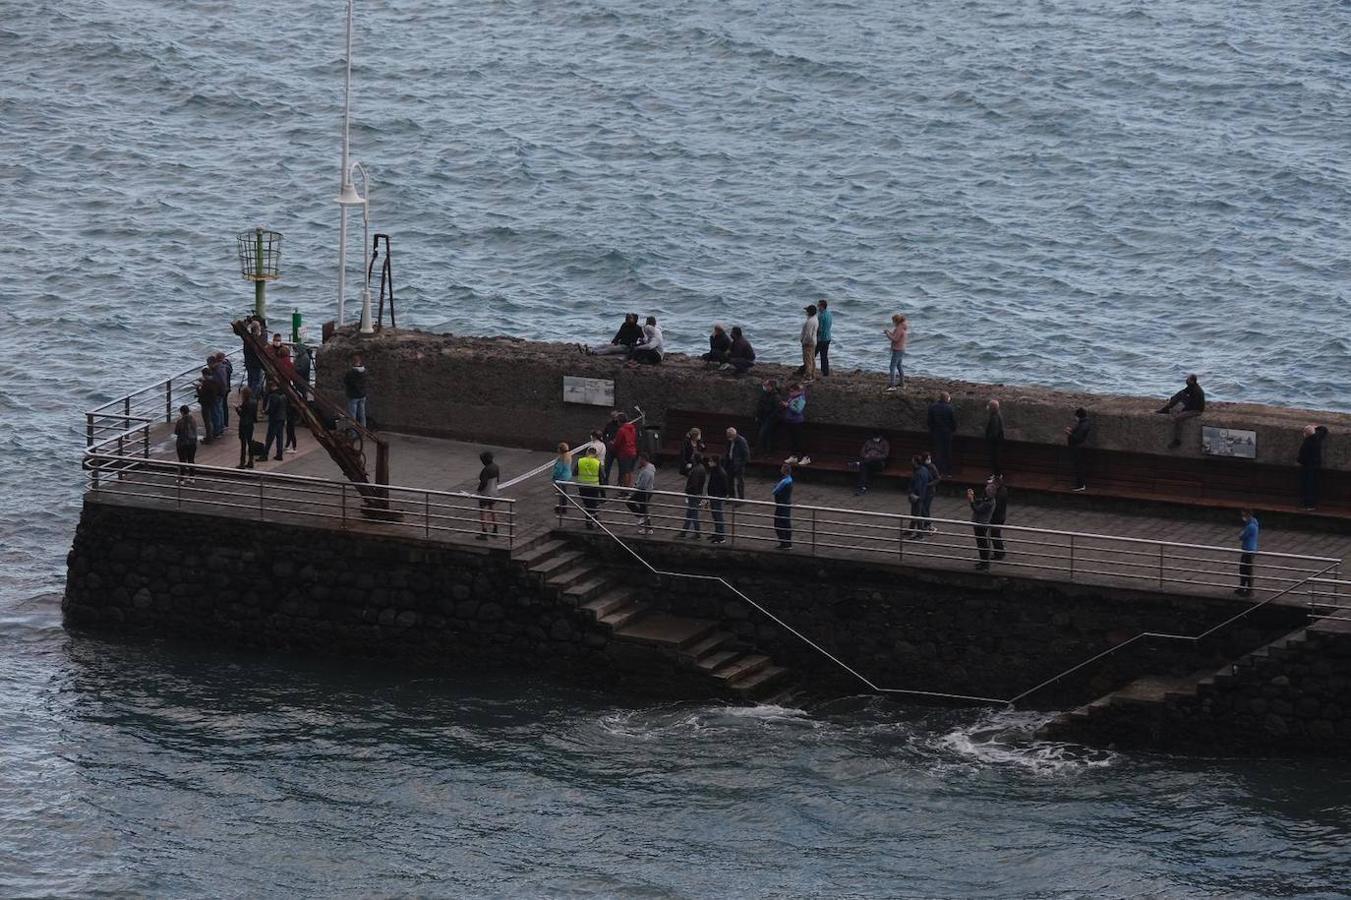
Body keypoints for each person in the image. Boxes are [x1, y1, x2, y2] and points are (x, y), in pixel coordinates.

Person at [1158, 374, 1205, 449]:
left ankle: (1177, 440)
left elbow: (1194, 406)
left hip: (1196, 410)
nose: (1186, 380)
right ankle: (1166, 409)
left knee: (1178, 418)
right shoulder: (1191, 387)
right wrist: (1174, 398)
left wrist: (1183, 410)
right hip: (1190, 405)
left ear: (1192, 381)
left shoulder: (1197, 391)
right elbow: (1183, 392)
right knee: (1180, 395)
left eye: (1188, 379)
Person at [1297, 425, 1328, 510]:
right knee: (1314, 485)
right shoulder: (1318, 438)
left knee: (1307, 486)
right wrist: (1316, 427)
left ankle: (1307, 504)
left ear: (1306, 434)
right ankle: (1313, 504)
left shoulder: (1306, 444)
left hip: (1307, 467)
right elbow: (1324, 429)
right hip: (1316, 466)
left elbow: (1301, 458)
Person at [927, 392, 956, 477]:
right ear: (947, 398)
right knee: (947, 452)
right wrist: (952, 430)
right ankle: (947, 472)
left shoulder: (933, 407)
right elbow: (953, 422)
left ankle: (937, 471)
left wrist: (933, 430)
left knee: (937, 452)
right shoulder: (949, 408)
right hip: (947, 433)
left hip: (936, 433)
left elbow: (929, 421)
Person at [967, 483, 996, 570]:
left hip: (981, 524)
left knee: (982, 544)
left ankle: (984, 563)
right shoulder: (988, 499)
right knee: (981, 544)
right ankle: (983, 561)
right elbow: (979, 501)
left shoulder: (989, 502)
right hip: (980, 523)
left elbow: (977, 509)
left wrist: (971, 500)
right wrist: (973, 496)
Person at [678, 454, 707, 539]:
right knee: (690, 514)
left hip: (693, 494)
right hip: (698, 493)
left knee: (693, 514)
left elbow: (694, 483)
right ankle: (684, 532)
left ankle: (697, 533)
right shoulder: (701, 468)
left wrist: (688, 490)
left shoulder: (696, 470)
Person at [781, 382, 810, 465]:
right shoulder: (791, 398)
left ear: (798, 391)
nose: (791, 393)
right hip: (790, 421)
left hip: (797, 422)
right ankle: (794, 456)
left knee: (799, 440)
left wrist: (788, 405)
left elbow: (798, 410)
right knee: (792, 440)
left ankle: (806, 457)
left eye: (793, 391)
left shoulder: (801, 399)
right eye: (790, 391)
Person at [575, 446, 603, 528]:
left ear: (587, 452)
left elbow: (574, 472)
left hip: (582, 486)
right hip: (594, 486)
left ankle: (591, 520)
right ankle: (592, 521)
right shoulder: (597, 462)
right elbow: (602, 475)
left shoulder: (580, 461)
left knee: (587, 504)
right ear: (595, 454)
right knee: (593, 504)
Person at [855, 431, 891, 495]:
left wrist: (875, 457)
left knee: (865, 464)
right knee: (864, 467)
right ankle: (862, 488)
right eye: (874, 437)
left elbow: (885, 455)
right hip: (867, 463)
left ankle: (858, 463)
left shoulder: (885, 443)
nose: (875, 438)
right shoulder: (868, 442)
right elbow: (862, 452)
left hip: (878, 463)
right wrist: (866, 456)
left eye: (877, 437)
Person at [905, 454, 931, 538]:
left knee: (917, 514)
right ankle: (911, 530)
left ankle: (920, 534)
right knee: (914, 513)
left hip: (917, 496)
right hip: (922, 495)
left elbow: (917, 486)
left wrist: (914, 494)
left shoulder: (918, 472)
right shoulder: (924, 469)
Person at [1066, 407, 1092, 492]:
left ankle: (1080, 485)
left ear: (1078, 416)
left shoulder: (1083, 425)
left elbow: (1078, 438)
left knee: (1079, 467)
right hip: (1079, 448)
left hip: (1078, 449)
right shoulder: (1084, 423)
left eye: (1076, 416)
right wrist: (1072, 431)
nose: (1075, 418)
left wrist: (1069, 433)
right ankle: (1079, 484)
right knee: (1079, 467)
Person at [630, 453, 656, 534]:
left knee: (630, 502)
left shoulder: (646, 471)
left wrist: (635, 487)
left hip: (643, 492)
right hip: (648, 491)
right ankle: (648, 528)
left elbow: (642, 485)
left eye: (640, 460)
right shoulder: (650, 467)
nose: (639, 461)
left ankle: (642, 518)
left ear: (644, 460)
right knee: (644, 509)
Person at [476, 451, 500, 539]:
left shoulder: (486, 470)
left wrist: (478, 490)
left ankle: (484, 531)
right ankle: (495, 529)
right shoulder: (496, 467)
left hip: (485, 493)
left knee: (483, 512)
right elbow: (497, 480)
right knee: (492, 509)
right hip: (493, 492)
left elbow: (483, 483)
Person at [262, 380, 288, 461]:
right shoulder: (284, 395)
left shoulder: (274, 396)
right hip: (282, 418)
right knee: (280, 437)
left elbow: (271, 409)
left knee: (269, 437)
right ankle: (279, 454)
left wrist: (265, 412)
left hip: (274, 419)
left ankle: (265, 455)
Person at [706, 454, 729, 544]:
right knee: (715, 516)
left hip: (717, 497)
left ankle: (721, 536)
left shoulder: (720, 473)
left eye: (711, 461)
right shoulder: (715, 470)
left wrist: (721, 496)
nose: (709, 463)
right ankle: (717, 532)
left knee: (718, 516)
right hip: (713, 496)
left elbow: (725, 487)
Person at [195, 367, 221, 443]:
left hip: (205, 403)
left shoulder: (206, 384)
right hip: (213, 401)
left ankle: (209, 438)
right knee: (213, 417)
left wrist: (198, 388)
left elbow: (202, 393)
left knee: (207, 420)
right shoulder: (215, 381)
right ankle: (216, 432)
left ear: (205, 375)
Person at [1237, 509, 1260, 596]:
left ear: (1248, 515)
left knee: (1246, 570)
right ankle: (1242, 587)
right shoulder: (1254, 522)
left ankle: (1249, 590)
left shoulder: (1251, 526)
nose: (1243, 517)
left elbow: (1242, 536)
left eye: (1244, 515)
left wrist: (1241, 534)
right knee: (1243, 569)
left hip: (1248, 550)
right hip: (1249, 549)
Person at [613, 413, 639, 487]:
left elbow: (617, 443)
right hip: (633, 451)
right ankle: (628, 487)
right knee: (630, 471)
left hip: (625, 453)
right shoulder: (633, 428)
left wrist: (612, 443)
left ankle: (625, 489)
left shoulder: (621, 430)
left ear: (619, 421)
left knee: (625, 472)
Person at [173, 405, 198, 483]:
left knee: (182, 460)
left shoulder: (180, 421)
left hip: (182, 443)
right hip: (192, 443)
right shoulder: (193, 420)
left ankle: (181, 479)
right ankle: (192, 478)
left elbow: (176, 432)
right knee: (191, 460)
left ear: (182, 412)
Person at [772, 463, 794, 550]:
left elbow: (775, 491)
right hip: (786, 504)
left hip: (781, 504)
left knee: (779, 523)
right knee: (786, 523)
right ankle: (788, 542)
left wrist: (775, 486)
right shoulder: (789, 480)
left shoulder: (784, 481)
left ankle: (784, 543)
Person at [725, 427, 750, 500]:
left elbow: (746, 455)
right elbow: (728, 451)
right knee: (729, 481)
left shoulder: (741, 441)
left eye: (730, 436)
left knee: (739, 482)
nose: (729, 438)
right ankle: (731, 497)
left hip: (739, 465)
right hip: (730, 463)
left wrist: (741, 464)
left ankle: (741, 499)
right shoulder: (729, 441)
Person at [884, 314, 908, 391]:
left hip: (898, 350)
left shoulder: (899, 329)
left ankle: (893, 385)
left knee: (892, 367)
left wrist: (887, 334)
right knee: (899, 366)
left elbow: (895, 339)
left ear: (896, 321)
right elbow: (895, 336)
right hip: (901, 349)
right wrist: (889, 332)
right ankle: (902, 383)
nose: (892, 322)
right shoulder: (902, 327)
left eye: (893, 321)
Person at [755, 379, 780, 452]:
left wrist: (771, 417)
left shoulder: (776, 396)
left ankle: (759, 450)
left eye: (766, 385)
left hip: (769, 418)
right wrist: (758, 415)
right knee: (767, 435)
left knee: (763, 434)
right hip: (763, 417)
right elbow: (760, 405)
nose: (765, 387)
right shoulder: (765, 394)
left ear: (771, 386)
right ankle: (767, 450)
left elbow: (777, 409)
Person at [988, 475, 1009, 560]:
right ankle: (999, 551)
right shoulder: (1003, 490)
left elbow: (995, 506)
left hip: (997, 517)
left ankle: (999, 553)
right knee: (995, 534)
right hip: (1000, 516)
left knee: (995, 535)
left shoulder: (1000, 493)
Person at [235, 387, 257, 469]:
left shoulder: (245, 403)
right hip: (250, 424)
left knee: (243, 444)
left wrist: (237, 409)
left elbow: (242, 414)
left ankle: (242, 462)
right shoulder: (254, 402)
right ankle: (251, 461)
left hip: (244, 424)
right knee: (250, 442)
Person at [344, 354, 368, 429]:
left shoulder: (351, 372)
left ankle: (353, 432)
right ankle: (364, 429)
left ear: (352, 362)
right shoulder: (365, 371)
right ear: (360, 362)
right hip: (362, 395)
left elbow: (346, 381)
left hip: (353, 396)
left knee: (352, 415)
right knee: (362, 414)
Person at [242, 320, 264, 394]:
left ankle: (248, 395)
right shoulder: (255, 340)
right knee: (256, 381)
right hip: (255, 364)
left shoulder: (247, 339)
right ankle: (252, 396)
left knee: (250, 380)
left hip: (248, 362)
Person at [552, 442, 573, 519]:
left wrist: (554, 476)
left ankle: (563, 508)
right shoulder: (568, 456)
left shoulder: (561, 458)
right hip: (567, 476)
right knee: (563, 492)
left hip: (561, 477)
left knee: (562, 493)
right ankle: (563, 507)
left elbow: (558, 470)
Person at [600, 410, 622, 485]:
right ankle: (605, 481)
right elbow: (604, 433)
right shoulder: (609, 424)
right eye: (613, 417)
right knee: (607, 465)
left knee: (621, 466)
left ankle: (620, 482)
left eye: (615, 416)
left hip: (619, 448)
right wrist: (607, 442)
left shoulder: (621, 425)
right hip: (611, 448)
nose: (614, 418)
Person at [921, 452, 941, 533]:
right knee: (924, 508)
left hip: (930, 491)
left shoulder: (932, 467)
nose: (928, 460)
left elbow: (937, 478)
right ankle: (926, 524)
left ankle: (929, 524)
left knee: (925, 507)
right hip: (923, 490)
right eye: (927, 459)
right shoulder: (922, 466)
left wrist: (929, 484)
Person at [798, 305, 818, 381]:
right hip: (813, 342)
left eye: (807, 311)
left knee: (807, 360)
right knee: (812, 359)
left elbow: (808, 334)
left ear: (809, 312)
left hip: (808, 343)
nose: (806, 312)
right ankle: (813, 374)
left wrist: (804, 341)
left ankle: (809, 376)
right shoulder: (815, 319)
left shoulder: (810, 321)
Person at [985, 399, 1004, 476]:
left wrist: (989, 438)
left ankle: (997, 475)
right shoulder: (997, 415)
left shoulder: (994, 418)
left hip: (995, 443)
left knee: (995, 460)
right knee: (995, 459)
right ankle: (996, 475)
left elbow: (994, 432)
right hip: (997, 442)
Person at [814, 299, 833, 377]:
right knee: (824, 356)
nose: (818, 307)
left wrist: (815, 337)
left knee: (812, 355)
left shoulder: (821, 316)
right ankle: (825, 372)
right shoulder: (829, 313)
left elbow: (820, 329)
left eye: (818, 306)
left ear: (822, 306)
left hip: (821, 339)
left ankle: (806, 370)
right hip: (828, 337)